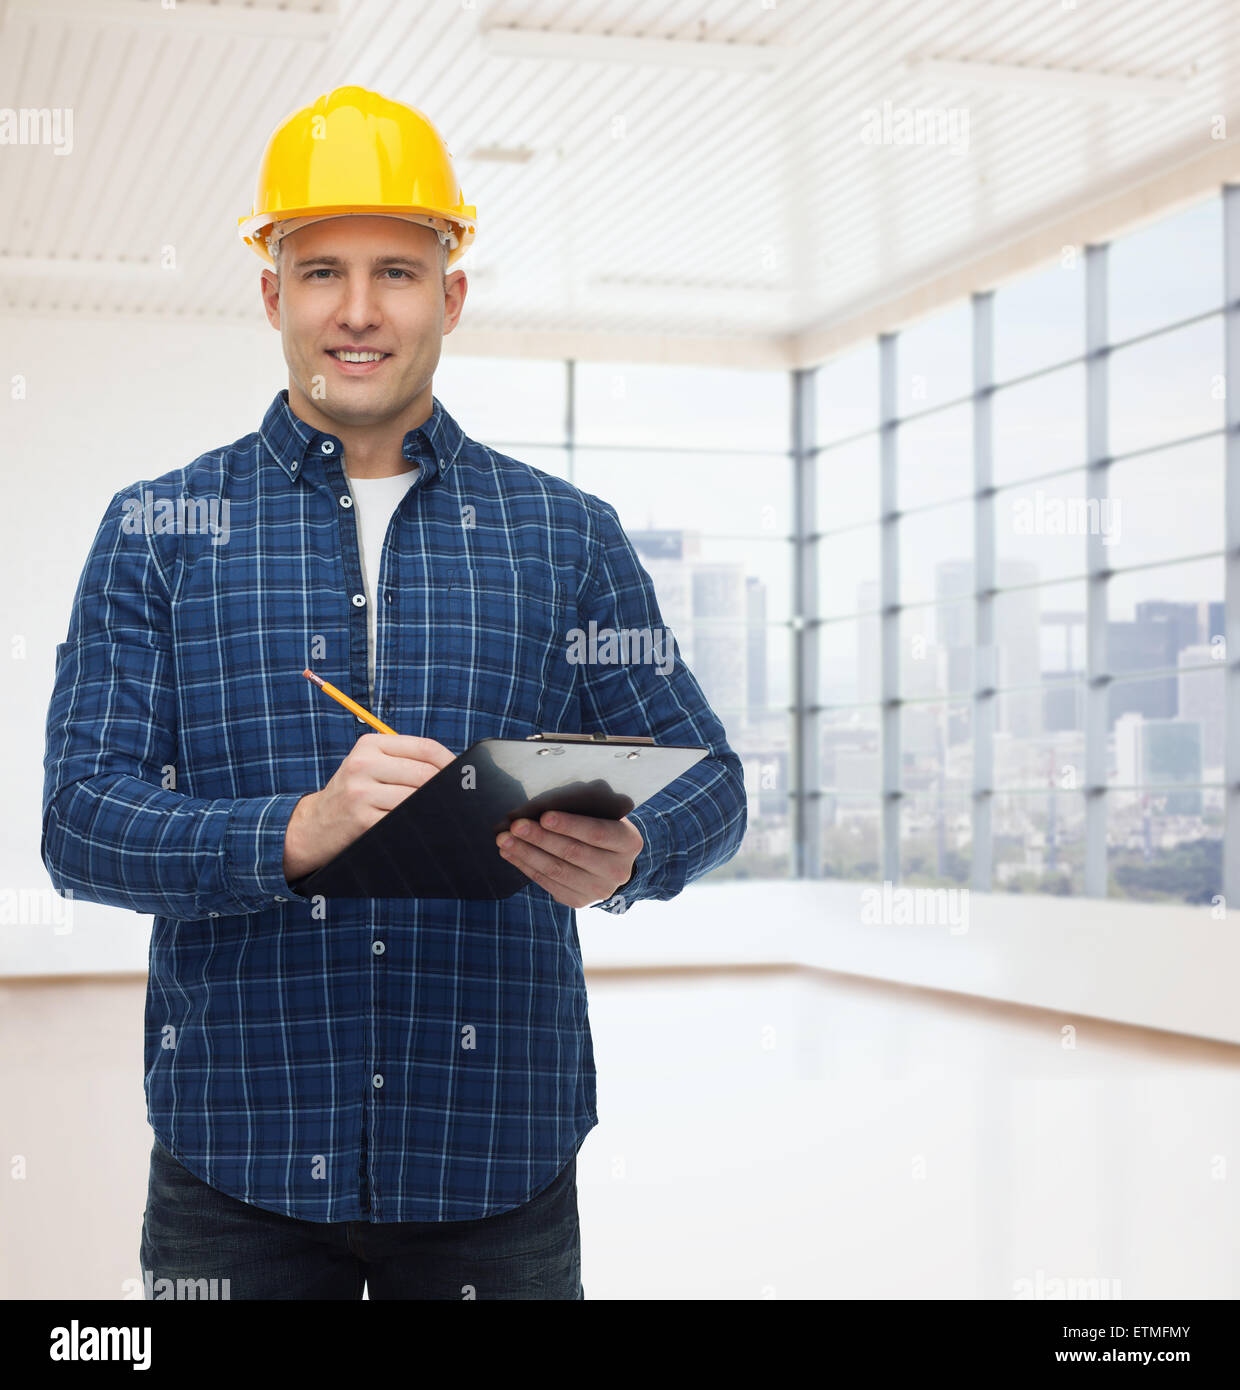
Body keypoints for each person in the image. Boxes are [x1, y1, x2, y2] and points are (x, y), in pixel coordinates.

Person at [41, 85, 746, 1300]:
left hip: (495, 1161)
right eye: (319, 272)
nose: (357, 312)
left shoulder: (564, 537)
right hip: (236, 1160)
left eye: (397, 272)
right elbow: (81, 822)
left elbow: (709, 783)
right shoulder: (159, 531)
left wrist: (631, 853)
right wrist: (297, 830)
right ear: (271, 292)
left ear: (450, 294)